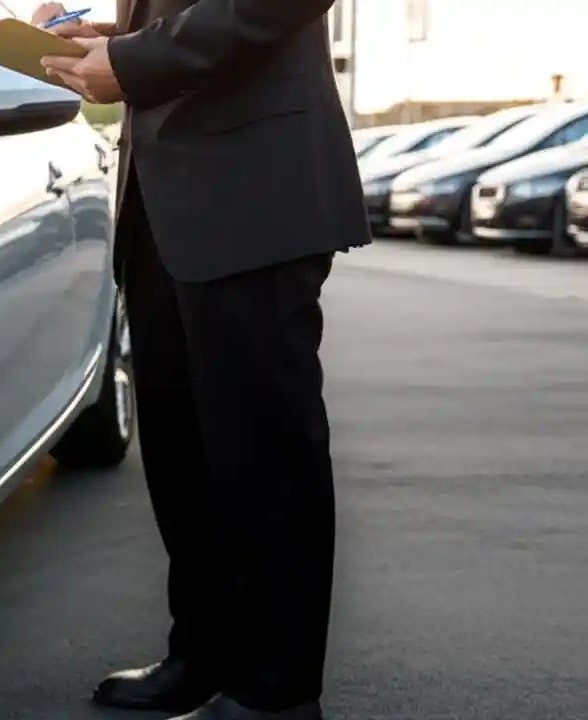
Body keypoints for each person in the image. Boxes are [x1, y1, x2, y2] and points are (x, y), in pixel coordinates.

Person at [32, 1, 370, 719]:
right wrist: (113, 41)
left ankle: (277, 692)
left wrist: (129, 62)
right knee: (181, 448)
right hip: (161, 195)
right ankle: (205, 655)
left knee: (266, 455)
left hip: (254, 190)